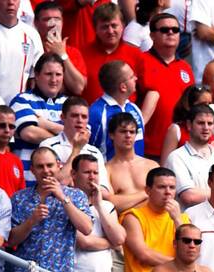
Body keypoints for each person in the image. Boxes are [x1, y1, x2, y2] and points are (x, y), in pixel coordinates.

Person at [7, 144, 93, 272]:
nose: (46, 170)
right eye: (40, 166)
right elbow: (11, 240)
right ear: (32, 170)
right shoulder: (19, 198)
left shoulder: (76, 195)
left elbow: (87, 228)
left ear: (59, 165)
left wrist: (62, 197)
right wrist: (31, 221)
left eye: (49, 165)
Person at [121, 166, 187, 272]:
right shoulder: (133, 217)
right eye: (161, 187)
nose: (168, 192)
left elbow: (189, 251)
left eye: (172, 187)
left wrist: (176, 219)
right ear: (148, 190)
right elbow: (144, 254)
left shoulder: (182, 220)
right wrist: (180, 265)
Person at [136, 13, 197, 161]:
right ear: (152, 35)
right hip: (148, 149)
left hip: (181, 149)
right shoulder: (140, 61)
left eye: (175, 30)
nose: (170, 32)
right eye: (164, 30)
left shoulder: (186, 68)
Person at [69, 153, 124, 272]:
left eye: (95, 172)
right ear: (74, 174)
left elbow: (119, 239)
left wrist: (99, 205)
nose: (92, 177)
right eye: (87, 172)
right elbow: (84, 242)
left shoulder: (106, 207)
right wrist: (110, 243)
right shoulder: (67, 203)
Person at [12, 53, 66, 182]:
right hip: (27, 182)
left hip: (60, 184)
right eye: (48, 74)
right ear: (36, 75)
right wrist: (66, 139)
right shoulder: (22, 100)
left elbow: (82, 136)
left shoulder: (69, 104)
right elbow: (29, 133)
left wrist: (46, 124)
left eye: (58, 74)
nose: (54, 80)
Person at [81, 3, 142, 104]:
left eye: (114, 26)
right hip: (92, 117)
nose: (110, 31)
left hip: (126, 117)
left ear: (123, 26)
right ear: (95, 29)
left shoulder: (135, 54)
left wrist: (140, 117)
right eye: (105, 27)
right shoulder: (82, 54)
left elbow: (149, 90)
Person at [105, 113, 156, 212]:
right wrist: (146, 193)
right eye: (123, 131)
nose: (128, 135)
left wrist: (125, 200)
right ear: (111, 135)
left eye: (132, 132)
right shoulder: (107, 170)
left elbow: (164, 197)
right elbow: (110, 204)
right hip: (125, 223)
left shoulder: (151, 165)